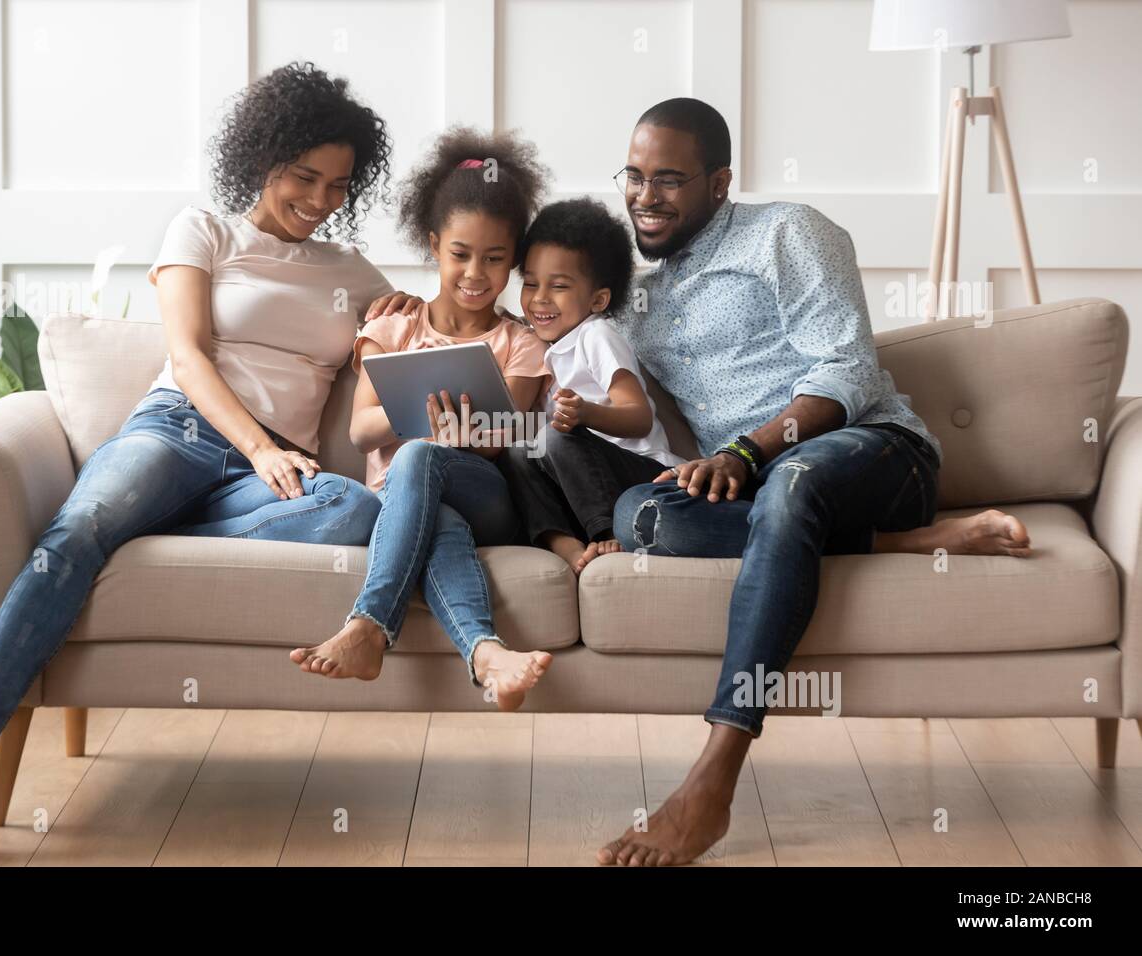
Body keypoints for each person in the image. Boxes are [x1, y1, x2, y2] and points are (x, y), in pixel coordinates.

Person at [0, 62, 395, 829]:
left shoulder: (352, 272)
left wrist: (403, 318)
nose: (321, 201)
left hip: (272, 468)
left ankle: (145, 525)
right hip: (183, 430)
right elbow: (191, 354)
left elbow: (424, 329)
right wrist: (258, 447)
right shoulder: (202, 230)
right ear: (265, 158)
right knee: (75, 532)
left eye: (340, 186)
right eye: (307, 177)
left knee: (352, 510)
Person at [593, 98, 1033, 866]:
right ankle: (903, 545)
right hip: (760, 486)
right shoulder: (633, 296)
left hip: (869, 451)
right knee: (642, 518)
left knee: (793, 485)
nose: (644, 196)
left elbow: (847, 369)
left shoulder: (788, 233)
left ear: (720, 182)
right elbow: (546, 327)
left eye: (669, 179)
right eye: (633, 176)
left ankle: (713, 778)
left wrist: (748, 453)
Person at [289, 128, 556, 711]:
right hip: (402, 506)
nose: (475, 274)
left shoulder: (521, 342)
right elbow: (361, 432)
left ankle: (368, 626)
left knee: (418, 456)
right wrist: (419, 415)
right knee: (438, 521)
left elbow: (500, 443)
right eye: (460, 254)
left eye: (494, 259)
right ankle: (487, 655)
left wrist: (442, 433)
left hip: (489, 497)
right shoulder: (390, 330)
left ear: (513, 259)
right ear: (434, 245)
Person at [498, 197, 683, 574]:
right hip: (585, 481)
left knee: (555, 438)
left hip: (643, 476)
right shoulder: (540, 343)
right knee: (518, 452)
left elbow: (639, 417)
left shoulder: (595, 335)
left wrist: (587, 414)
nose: (540, 299)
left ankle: (604, 534)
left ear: (598, 299)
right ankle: (563, 542)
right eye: (530, 283)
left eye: (559, 286)